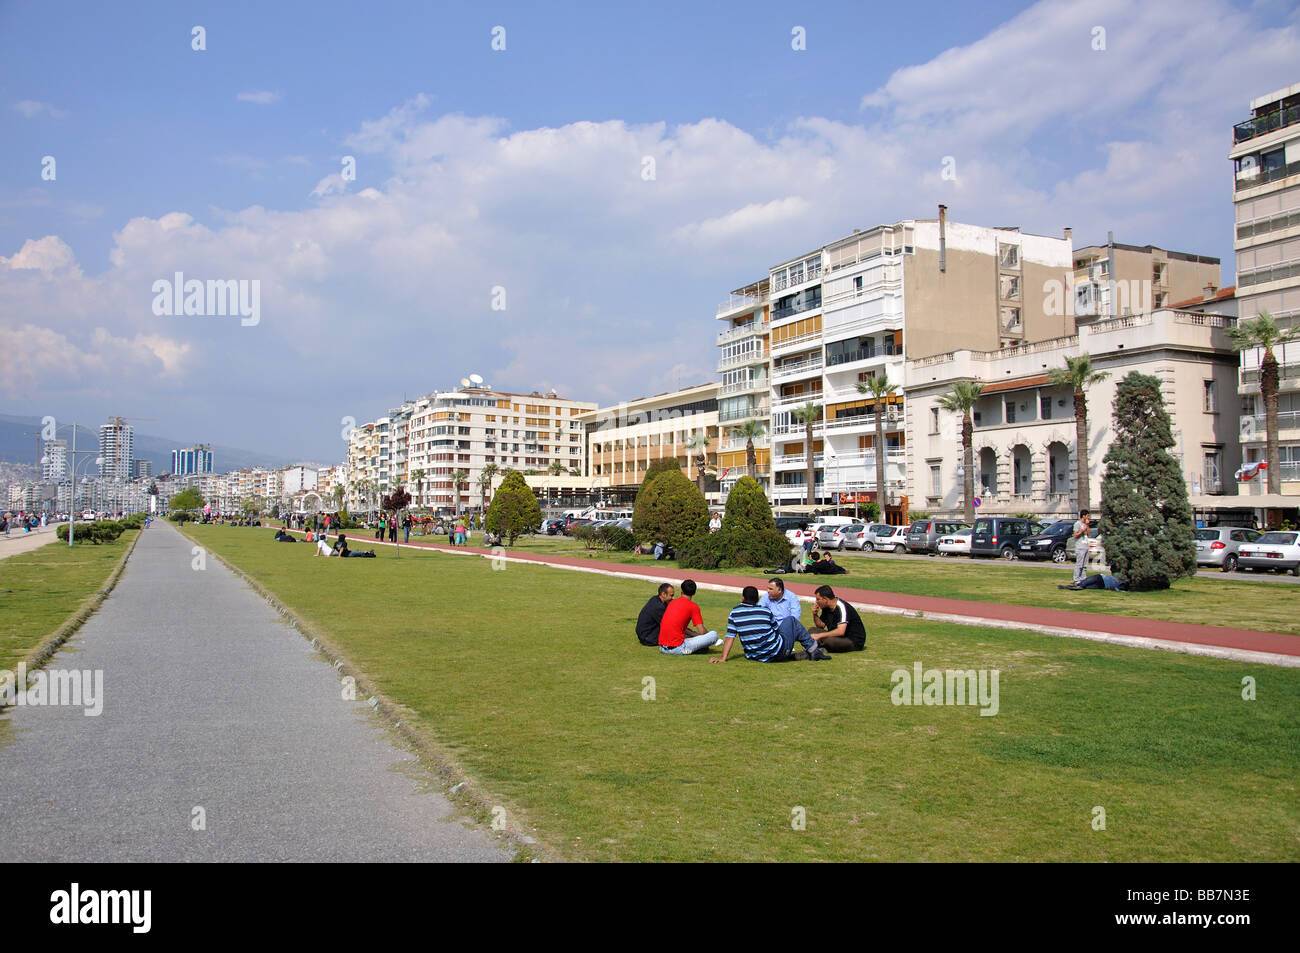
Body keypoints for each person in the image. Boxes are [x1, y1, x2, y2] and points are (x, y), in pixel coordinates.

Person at [711, 585, 830, 663]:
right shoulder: (765, 611)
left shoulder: (734, 613)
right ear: (757, 599)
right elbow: (776, 631)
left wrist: (723, 658)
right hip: (775, 651)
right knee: (791, 621)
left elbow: (730, 637)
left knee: (790, 626)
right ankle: (813, 650)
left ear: (742, 598)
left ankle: (810, 649)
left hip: (755, 655)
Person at [659, 579, 719, 655]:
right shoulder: (693, 606)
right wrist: (708, 635)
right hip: (678, 648)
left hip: (662, 648)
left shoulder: (671, 603)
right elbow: (702, 631)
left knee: (690, 636)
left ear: (681, 591)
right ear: (694, 592)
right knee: (714, 634)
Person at [810, 585, 866, 653]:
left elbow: (841, 631)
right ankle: (821, 646)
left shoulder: (842, 607)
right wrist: (815, 614)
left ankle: (820, 647)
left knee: (828, 640)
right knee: (812, 630)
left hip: (852, 640)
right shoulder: (826, 607)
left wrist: (819, 636)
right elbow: (821, 626)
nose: (816, 602)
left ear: (825, 599)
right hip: (837, 637)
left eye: (818, 599)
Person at [1071, 509, 1091, 586]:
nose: (1088, 517)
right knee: (1079, 564)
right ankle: (1076, 579)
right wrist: (1083, 530)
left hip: (1086, 546)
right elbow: (1075, 535)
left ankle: (1083, 579)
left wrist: (1087, 526)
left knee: (1085, 565)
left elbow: (1089, 534)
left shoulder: (1085, 524)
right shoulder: (1077, 524)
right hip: (1080, 547)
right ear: (1083, 516)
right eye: (1087, 516)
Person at [1061, 573, 1127, 591]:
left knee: (1084, 584)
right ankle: (1073, 587)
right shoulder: (1117, 587)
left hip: (1101, 578)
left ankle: (1075, 586)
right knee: (1085, 586)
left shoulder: (1117, 580)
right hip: (1102, 585)